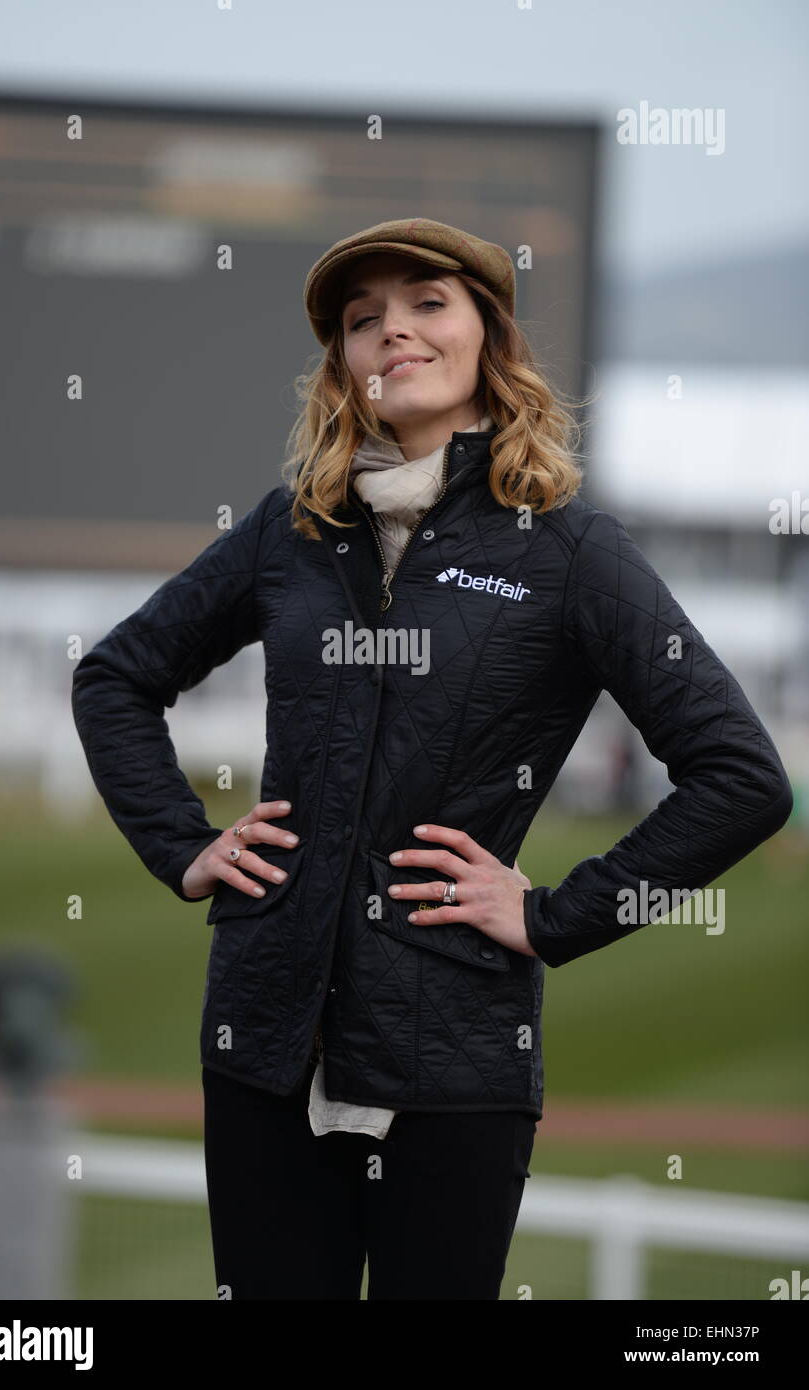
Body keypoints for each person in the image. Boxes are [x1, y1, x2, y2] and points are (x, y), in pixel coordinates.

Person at [71, 217, 793, 1301]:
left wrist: (555, 914)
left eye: (426, 304)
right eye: (364, 322)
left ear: (488, 340)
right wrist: (182, 845)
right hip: (263, 1041)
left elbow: (743, 777)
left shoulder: (570, 551)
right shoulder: (289, 532)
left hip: (455, 1060)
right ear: (345, 368)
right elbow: (114, 676)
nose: (392, 332)